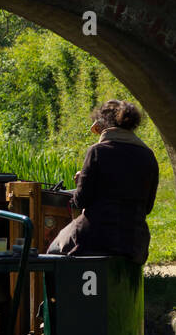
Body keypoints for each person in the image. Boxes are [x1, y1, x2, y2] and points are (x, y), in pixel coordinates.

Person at [46, 100, 160, 265]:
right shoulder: (148, 156)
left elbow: (80, 200)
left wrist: (80, 182)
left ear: (103, 124)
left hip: (95, 238)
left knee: (52, 252)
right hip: (135, 243)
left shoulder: (97, 151)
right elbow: (147, 207)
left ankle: (58, 292)